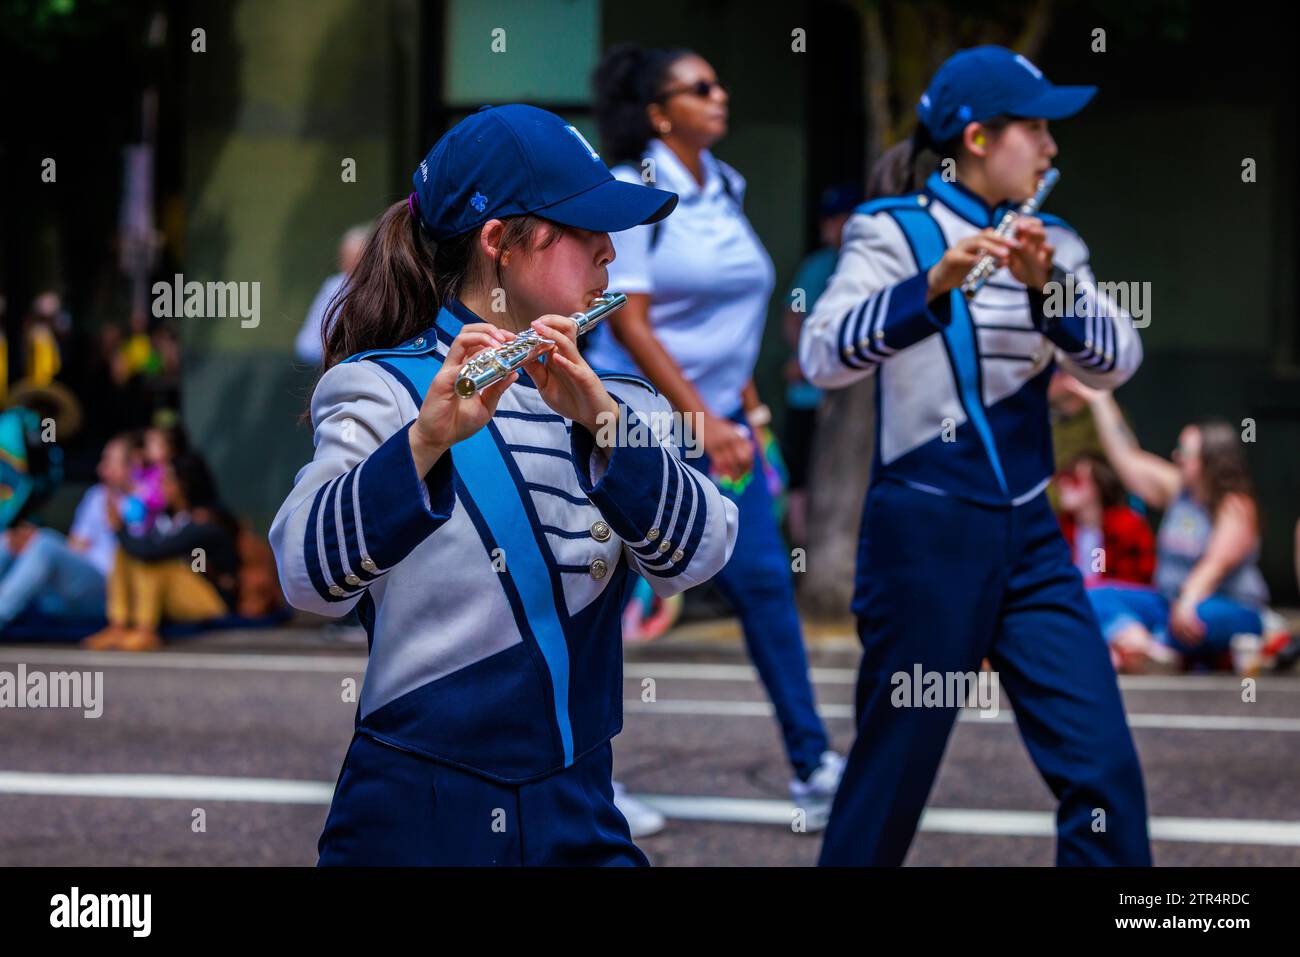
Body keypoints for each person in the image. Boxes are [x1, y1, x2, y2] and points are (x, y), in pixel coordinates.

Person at [270, 104, 738, 866]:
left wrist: (606, 426)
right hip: (415, 812)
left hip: (579, 802)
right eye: (585, 229)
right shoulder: (383, 389)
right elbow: (303, 575)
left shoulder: (617, 399)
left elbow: (701, 554)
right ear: (501, 243)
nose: (610, 253)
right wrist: (424, 443)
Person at [800, 46, 1151, 866]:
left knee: (1103, 767)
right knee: (891, 778)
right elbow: (822, 355)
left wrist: (1045, 288)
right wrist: (931, 284)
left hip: (1031, 536)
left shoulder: (1053, 240)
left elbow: (1117, 359)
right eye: (1036, 128)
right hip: (924, 531)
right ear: (979, 137)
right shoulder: (889, 230)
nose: (1052, 147)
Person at [588, 44, 845, 823]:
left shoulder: (726, 187)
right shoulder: (637, 191)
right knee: (601, 598)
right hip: (632, 422)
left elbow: (730, 322)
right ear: (660, 113)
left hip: (721, 427)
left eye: (718, 80)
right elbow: (630, 325)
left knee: (766, 585)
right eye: (701, 88)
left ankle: (812, 762)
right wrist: (702, 419)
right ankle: (585, 782)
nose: (720, 95)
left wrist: (748, 413)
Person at [1063, 377, 1270, 672]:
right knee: (1096, 595)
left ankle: (1144, 648)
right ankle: (1148, 647)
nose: (1176, 456)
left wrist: (1186, 603)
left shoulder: (1236, 506)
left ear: (1209, 460)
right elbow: (1126, 459)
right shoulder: (1177, 490)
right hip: (1169, 605)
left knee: (1201, 617)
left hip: (1222, 606)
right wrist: (1100, 400)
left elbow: (1215, 566)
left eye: (1184, 452)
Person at [84, 453, 238, 652]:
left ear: (184, 485)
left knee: (157, 562)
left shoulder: (204, 521)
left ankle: (146, 630)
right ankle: (118, 626)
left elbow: (153, 552)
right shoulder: (165, 520)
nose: (161, 486)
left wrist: (119, 528)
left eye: (167, 480)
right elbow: (142, 548)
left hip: (212, 602)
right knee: (123, 552)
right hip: (178, 596)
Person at [782, 183, 862, 548]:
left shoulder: (864, 265)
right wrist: (804, 358)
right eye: (830, 219)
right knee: (801, 476)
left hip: (854, 396)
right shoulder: (818, 267)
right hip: (810, 395)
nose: (833, 227)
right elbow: (793, 315)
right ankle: (805, 550)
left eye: (841, 219)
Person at [0, 433, 141, 634]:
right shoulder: (96, 495)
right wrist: (30, 543)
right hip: (76, 581)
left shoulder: (145, 501)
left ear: (133, 464)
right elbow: (76, 545)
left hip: (108, 591)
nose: (101, 469)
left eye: (109, 461)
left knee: (45, 543)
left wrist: (118, 526)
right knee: (11, 539)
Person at [1055, 450, 1155, 589]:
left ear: (1098, 485)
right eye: (1064, 476)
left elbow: (1136, 582)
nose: (1063, 483)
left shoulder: (1126, 527)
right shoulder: (1059, 528)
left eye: (1074, 478)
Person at [294, 225, 369, 365]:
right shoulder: (333, 286)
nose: (347, 263)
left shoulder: (376, 288)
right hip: (328, 364)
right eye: (346, 257)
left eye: (355, 258)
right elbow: (306, 343)